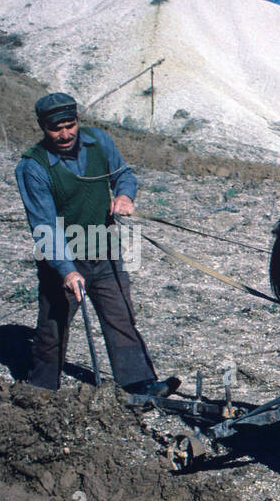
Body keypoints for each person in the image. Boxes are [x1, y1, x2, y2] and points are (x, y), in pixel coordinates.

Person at [15, 92, 178, 396]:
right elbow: (44, 227)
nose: (65, 134)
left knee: (121, 317)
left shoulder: (99, 141)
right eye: (56, 128)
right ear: (42, 127)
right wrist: (66, 270)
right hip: (62, 257)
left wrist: (125, 194)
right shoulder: (33, 167)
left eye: (70, 124)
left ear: (78, 120)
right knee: (54, 326)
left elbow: (123, 174)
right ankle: (41, 391)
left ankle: (138, 385)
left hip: (105, 250)